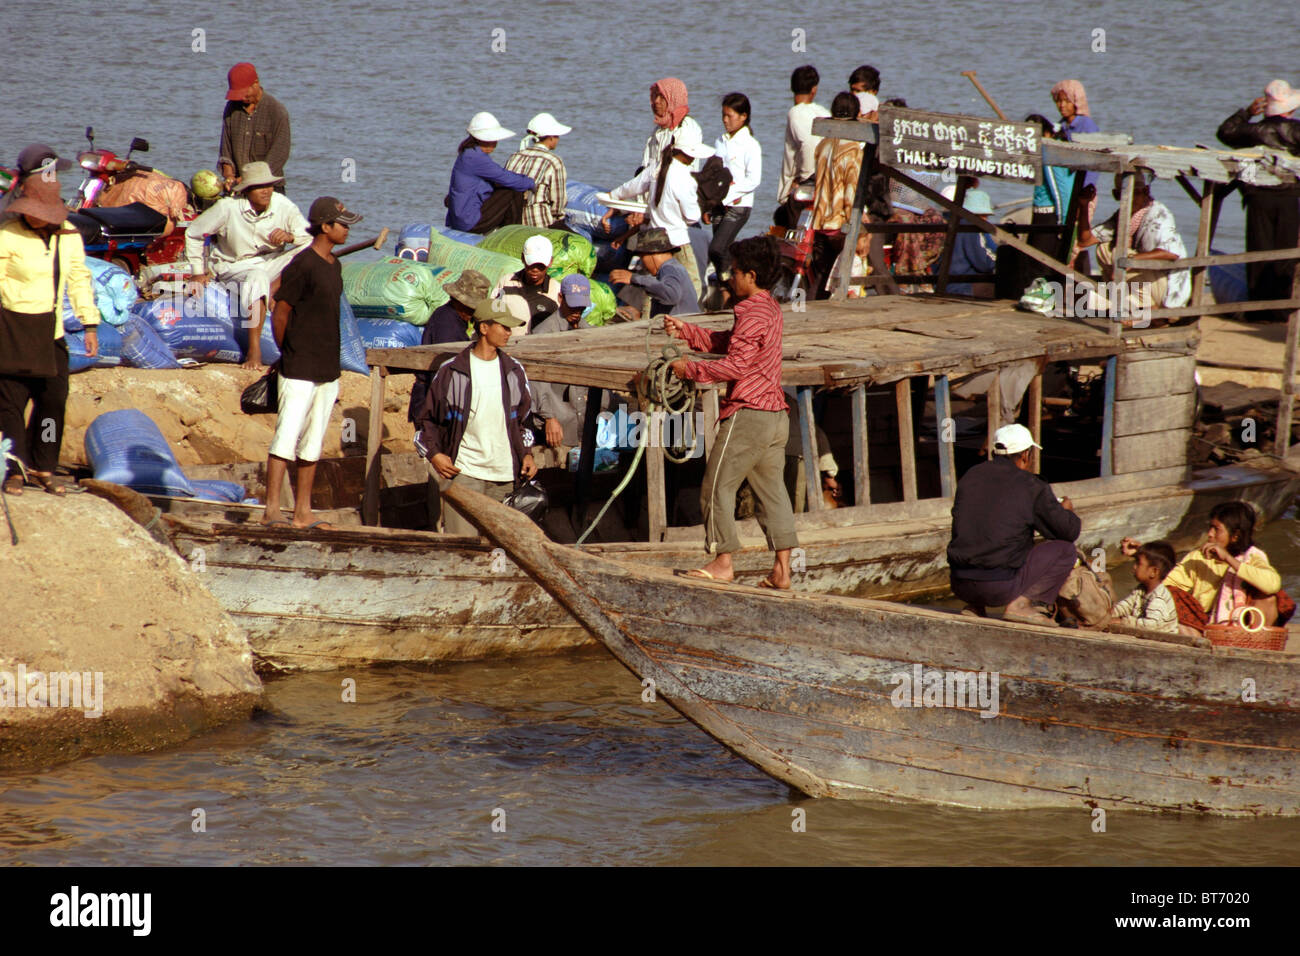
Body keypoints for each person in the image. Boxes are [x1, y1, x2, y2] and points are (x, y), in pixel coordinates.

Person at [664, 235, 797, 589]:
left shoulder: (750, 310)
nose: (730, 277)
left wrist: (689, 370)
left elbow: (736, 365)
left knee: (716, 487)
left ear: (750, 275)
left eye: (735, 272)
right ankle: (782, 571)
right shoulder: (769, 307)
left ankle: (723, 561)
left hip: (749, 414)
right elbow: (731, 343)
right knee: (772, 492)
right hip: (775, 414)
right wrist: (688, 332)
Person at [260, 197, 361, 529]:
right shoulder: (303, 264)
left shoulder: (334, 264)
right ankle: (272, 510)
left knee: (313, 442)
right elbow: (280, 309)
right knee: (285, 438)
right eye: (342, 224)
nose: (347, 229)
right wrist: (287, 350)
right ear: (325, 226)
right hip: (299, 366)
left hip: (327, 369)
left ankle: (302, 512)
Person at [0, 175, 100, 496]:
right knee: (10, 405)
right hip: (12, 329)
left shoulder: (68, 236)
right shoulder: (8, 236)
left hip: (50, 331)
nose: (33, 216)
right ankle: (13, 469)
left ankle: (43, 465)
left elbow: (80, 279)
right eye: (29, 210)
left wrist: (90, 323)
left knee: (53, 403)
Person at [415, 295, 537, 535]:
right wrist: (435, 454)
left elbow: (524, 422)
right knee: (463, 547)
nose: (508, 333)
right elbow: (427, 420)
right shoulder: (452, 371)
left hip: (504, 477)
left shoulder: (514, 371)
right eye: (503, 326)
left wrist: (527, 455)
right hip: (465, 475)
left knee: (500, 550)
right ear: (484, 328)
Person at [947, 423, 1081, 626]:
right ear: (1025, 455)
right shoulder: (1032, 485)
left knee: (993, 540)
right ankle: (1020, 606)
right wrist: (1066, 511)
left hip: (959, 584)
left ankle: (976, 606)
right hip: (999, 587)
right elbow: (1068, 531)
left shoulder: (970, 476)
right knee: (1065, 550)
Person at [184, 161, 310, 368]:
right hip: (234, 267)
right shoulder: (228, 208)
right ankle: (254, 350)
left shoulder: (282, 204)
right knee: (257, 277)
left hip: (271, 264)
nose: (267, 191)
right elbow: (194, 233)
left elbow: (309, 237)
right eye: (260, 186)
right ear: (247, 190)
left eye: (269, 185)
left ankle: (273, 290)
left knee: (310, 253)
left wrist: (290, 237)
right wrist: (198, 271)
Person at [1125, 502, 1293, 637]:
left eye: (1216, 529)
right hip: (1206, 621)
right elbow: (1165, 583)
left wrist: (1228, 559)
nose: (1210, 534)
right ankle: (1199, 635)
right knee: (1168, 593)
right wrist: (1145, 554)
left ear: (1235, 536)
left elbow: (1272, 584)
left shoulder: (1253, 557)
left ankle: (1254, 643)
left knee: (1272, 596)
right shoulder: (1199, 556)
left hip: (1243, 625)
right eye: (1210, 528)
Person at [1217, 80, 1300, 321]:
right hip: (1289, 197)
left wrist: (1246, 113)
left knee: (1259, 249)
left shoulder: (1254, 131)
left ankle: (1258, 309)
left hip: (1258, 197)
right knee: (1286, 251)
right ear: (1290, 109)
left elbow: (1225, 132)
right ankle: (1283, 308)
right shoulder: (1296, 130)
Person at [606, 125, 713, 300]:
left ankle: (650, 319)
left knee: (655, 288)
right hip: (676, 241)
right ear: (690, 153)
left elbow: (631, 187)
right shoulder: (684, 177)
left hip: (654, 239)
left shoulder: (657, 166)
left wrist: (612, 196)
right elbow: (692, 216)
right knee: (692, 287)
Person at [1076, 171, 1190, 319]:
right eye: (1124, 194)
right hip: (1145, 281)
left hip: (1167, 288)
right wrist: (1084, 205)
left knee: (1119, 255)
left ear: (1146, 192)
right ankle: (1139, 307)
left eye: (1135, 193)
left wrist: (1132, 259)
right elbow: (1085, 240)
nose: (1130, 199)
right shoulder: (1123, 215)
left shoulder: (1159, 214)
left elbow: (1171, 253)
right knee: (1104, 249)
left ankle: (1155, 312)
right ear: (1116, 195)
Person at [407, 269, 492, 423]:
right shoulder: (447, 322)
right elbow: (445, 371)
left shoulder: (454, 319)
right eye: (469, 307)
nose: (472, 312)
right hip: (433, 399)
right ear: (457, 300)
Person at [529, 274, 597, 455]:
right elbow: (537, 380)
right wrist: (549, 417)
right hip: (558, 427)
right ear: (560, 298)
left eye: (581, 307)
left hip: (586, 424)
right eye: (572, 305)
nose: (577, 311)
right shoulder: (543, 334)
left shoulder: (588, 332)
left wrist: (602, 409)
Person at [808, 92, 865, 298]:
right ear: (856, 115)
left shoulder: (823, 145)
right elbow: (851, 195)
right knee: (849, 280)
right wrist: (860, 230)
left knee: (822, 279)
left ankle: (809, 318)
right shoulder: (853, 150)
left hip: (821, 222)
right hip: (840, 225)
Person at [445, 112, 536, 234]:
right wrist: (531, 183)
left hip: (459, 219)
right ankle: (512, 236)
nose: (495, 143)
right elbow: (505, 177)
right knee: (514, 192)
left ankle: (506, 233)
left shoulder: (468, 153)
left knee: (508, 188)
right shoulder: (476, 157)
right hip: (468, 222)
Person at [708, 93, 761, 280]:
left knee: (716, 249)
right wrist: (707, 204)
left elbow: (753, 180)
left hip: (739, 206)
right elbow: (713, 174)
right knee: (719, 253)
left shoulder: (751, 145)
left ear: (743, 116)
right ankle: (729, 289)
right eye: (723, 115)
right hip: (718, 205)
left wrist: (729, 193)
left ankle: (737, 281)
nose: (725, 120)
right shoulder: (720, 141)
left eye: (729, 116)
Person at [218, 62, 291, 193]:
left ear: (255, 83)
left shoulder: (277, 112)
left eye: (244, 94)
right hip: (238, 188)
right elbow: (226, 151)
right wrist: (229, 177)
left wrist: (249, 179)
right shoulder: (231, 109)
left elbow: (279, 156)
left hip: (269, 189)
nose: (241, 98)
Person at [776, 65, 831, 226]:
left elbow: (807, 144)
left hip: (806, 183)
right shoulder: (824, 112)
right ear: (814, 89)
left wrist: (805, 177)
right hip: (826, 176)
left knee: (792, 228)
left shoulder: (795, 113)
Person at [609, 227, 700, 317]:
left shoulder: (669, 268)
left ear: (651, 255)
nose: (643, 263)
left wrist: (635, 278)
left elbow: (672, 296)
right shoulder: (673, 267)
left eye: (642, 257)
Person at [505, 112, 572, 229]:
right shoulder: (554, 161)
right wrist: (559, 219)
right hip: (537, 220)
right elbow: (558, 202)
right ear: (551, 137)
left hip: (511, 219)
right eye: (557, 136)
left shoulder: (515, 156)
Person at [1109, 541, 1179, 634]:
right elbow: (1126, 606)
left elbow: (1150, 625)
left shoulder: (1159, 598)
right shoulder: (1141, 589)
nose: (1134, 567)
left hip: (1160, 643)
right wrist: (1108, 613)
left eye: (1138, 563)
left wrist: (1122, 621)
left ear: (1153, 572)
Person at [495, 235, 562, 328]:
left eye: (540, 265)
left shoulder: (556, 291)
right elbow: (492, 313)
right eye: (531, 264)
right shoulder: (506, 282)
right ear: (522, 258)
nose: (535, 269)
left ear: (550, 262)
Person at [944, 189, 998, 297]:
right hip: (961, 286)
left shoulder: (953, 222)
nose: (986, 219)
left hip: (946, 282)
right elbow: (984, 263)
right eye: (984, 215)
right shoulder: (973, 228)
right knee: (1000, 287)